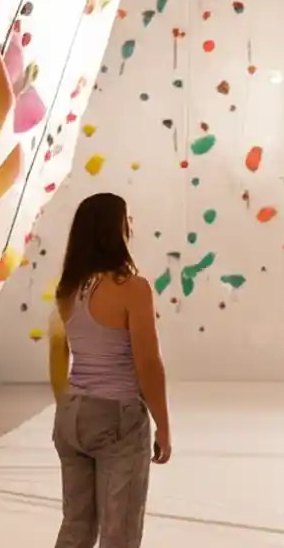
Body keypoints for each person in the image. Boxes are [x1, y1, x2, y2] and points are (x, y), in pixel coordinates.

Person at [49, 193, 171, 548]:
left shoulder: (68, 289)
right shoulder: (133, 288)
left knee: (76, 526)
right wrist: (163, 425)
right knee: (120, 533)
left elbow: (66, 351)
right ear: (113, 230)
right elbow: (148, 363)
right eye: (126, 219)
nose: (131, 226)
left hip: (72, 415)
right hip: (116, 416)